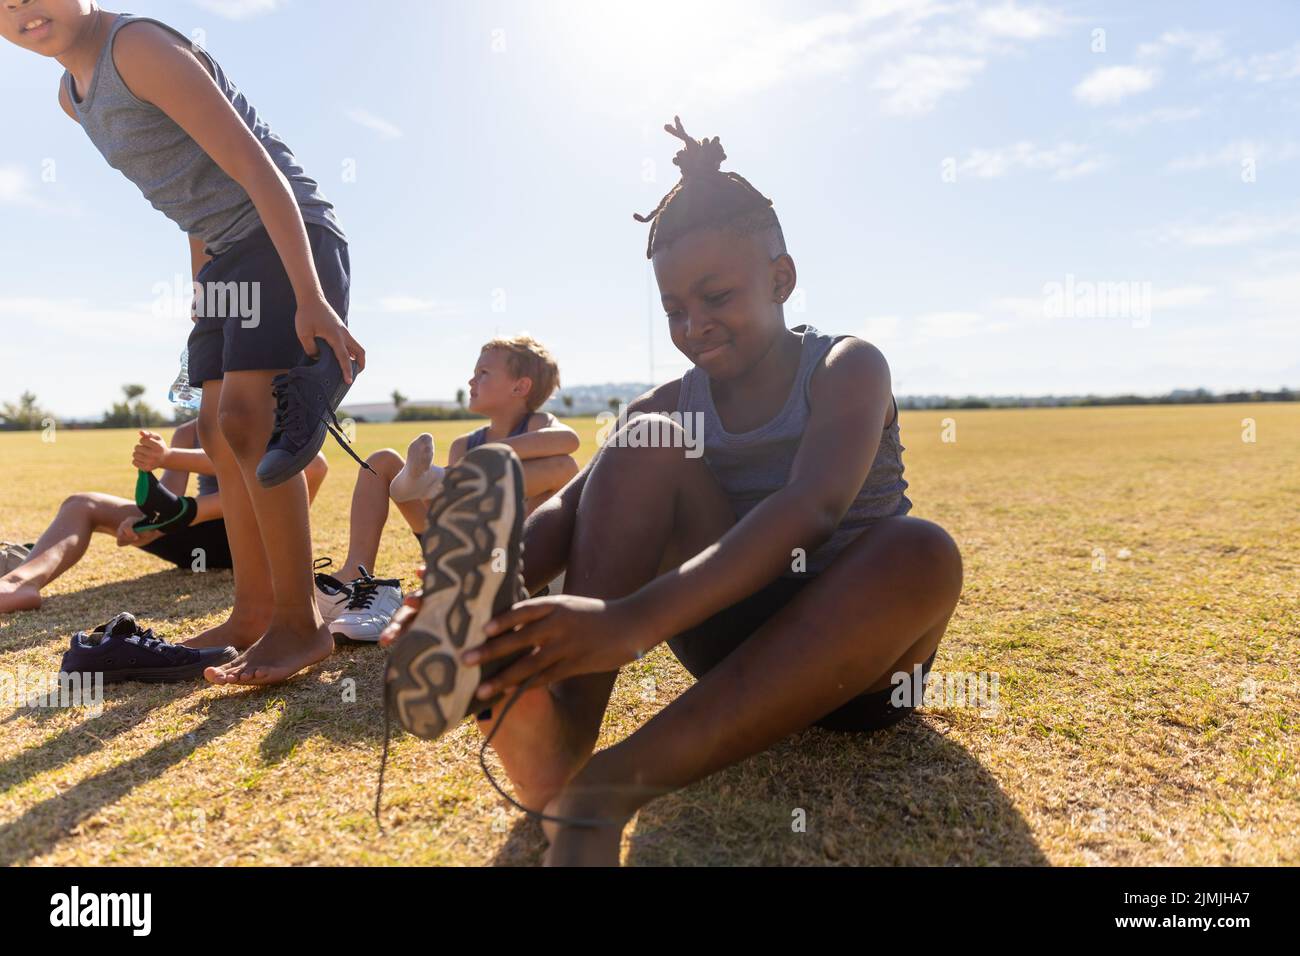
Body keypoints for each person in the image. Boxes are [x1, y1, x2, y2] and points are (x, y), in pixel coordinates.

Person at [380, 118, 964, 866]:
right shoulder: (665, 404)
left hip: (864, 666)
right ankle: (553, 735)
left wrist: (629, 622)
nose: (694, 325)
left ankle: (608, 787)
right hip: (729, 642)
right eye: (674, 309)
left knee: (922, 552)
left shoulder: (847, 368)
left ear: (781, 280)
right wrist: (479, 589)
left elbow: (811, 509)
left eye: (716, 296)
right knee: (636, 448)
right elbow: (572, 508)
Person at [2, 2, 365, 684]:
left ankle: (300, 625)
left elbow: (259, 171)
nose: (23, 9)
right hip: (225, 257)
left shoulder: (136, 47)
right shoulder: (70, 98)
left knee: (249, 420)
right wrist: (204, 303)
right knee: (213, 425)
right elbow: (188, 203)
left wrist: (311, 294)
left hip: (284, 234)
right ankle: (254, 612)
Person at [318, 336, 578, 642]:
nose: (471, 380)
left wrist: (488, 458)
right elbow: (453, 518)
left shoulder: (538, 424)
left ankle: (437, 482)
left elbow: (569, 441)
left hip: (520, 559)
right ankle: (354, 572)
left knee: (563, 468)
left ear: (520, 387)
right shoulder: (464, 444)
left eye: (483, 373)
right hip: (460, 545)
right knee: (381, 461)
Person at [0, 422, 328, 613]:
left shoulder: (266, 418)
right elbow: (165, 504)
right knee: (81, 503)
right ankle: (18, 583)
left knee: (300, 466)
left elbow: (314, 467)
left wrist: (171, 460)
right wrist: (148, 523)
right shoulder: (188, 432)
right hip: (191, 531)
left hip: (258, 539)